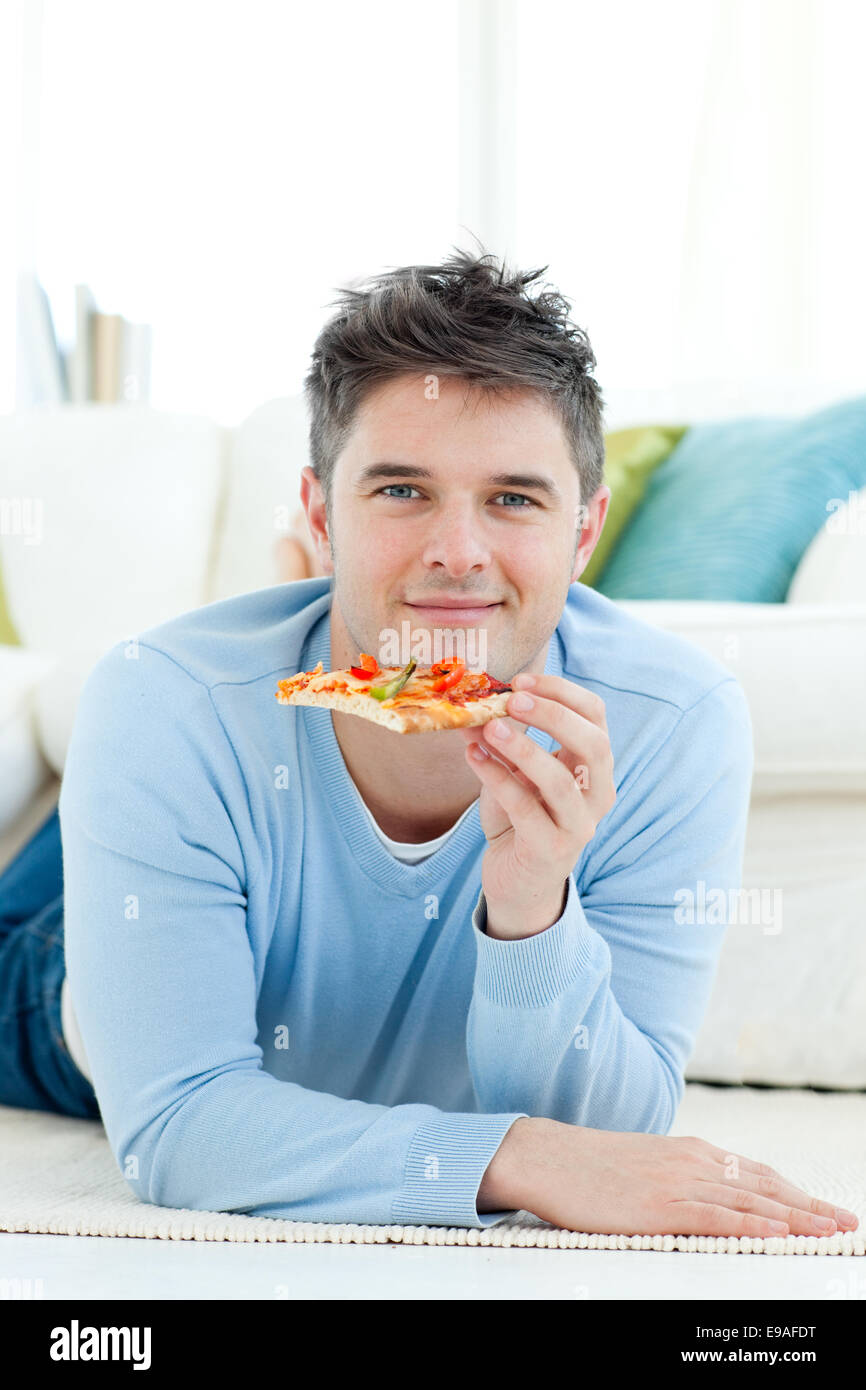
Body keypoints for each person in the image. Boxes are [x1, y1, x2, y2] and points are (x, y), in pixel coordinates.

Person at [1, 247, 856, 1240]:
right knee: (163, 721)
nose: (457, 552)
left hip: (218, 772)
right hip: (57, 976)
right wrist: (512, 1156)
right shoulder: (156, 697)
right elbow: (178, 1121)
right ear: (319, 512)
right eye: (401, 492)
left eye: (512, 498)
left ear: (585, 533)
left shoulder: (676, 719)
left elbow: (610, 1147)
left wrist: (532, 908)